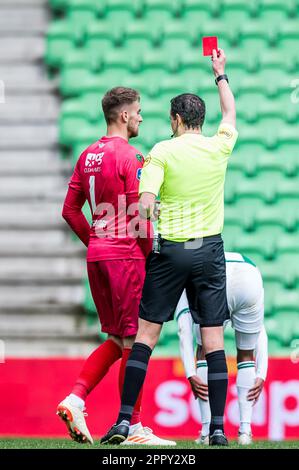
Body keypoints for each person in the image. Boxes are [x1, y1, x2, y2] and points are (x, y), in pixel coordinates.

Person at [101, 49, 238, 446]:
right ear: (201, 120)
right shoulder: (219, 146)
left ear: (176, 120)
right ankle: (216, 429)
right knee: (212, 341)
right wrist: (220, 75)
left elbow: (143, 205)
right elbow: (230, 116)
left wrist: (157, 215)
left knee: (145, 337)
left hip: (172, 250)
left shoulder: (162, 150)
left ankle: (125, 421)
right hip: (209, 250)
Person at [57, 86, 175, 446]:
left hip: (98, 255)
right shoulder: (131, 158)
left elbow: (70, 210)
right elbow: (141, 215)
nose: (140, 117)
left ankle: (76, 399)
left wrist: (96, 241)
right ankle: (135, 427)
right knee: (136, 339)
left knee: (117, 337)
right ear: (124, 115)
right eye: (138, 111)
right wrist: (151, 256)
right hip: (125, 256)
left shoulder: (87, 155)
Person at [175, 252, 268, 446]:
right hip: (250, 276)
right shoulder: (247, 263)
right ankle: (245, 431)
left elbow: (184, 329)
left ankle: (206, 430)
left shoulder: (182, 278)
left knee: (205, 348)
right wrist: (261, 373)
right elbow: (260, 330)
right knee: (246, 353)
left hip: (212, 277)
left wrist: (191, 373)